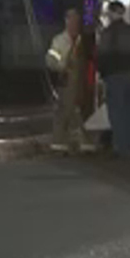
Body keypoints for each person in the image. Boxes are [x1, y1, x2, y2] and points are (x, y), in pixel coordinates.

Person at [98, 0, 130, 158]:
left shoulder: (108, 33)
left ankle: (120, 147)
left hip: (114, 75)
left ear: (111, 13)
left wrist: (102, 73)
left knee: (116, 112)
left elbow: (102, 56)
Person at [47, 8, 87, 154]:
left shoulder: (83, 40)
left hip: (82, 80)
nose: (75, 23)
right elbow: (51, 61)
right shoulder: (59, 40)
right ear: (66, 21)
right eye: (72, 20)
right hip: (67, 79)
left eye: (77, 20)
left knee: (80, 110)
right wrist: (62, 67)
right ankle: (59, 142)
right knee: (65, 110)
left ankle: (79, 141)